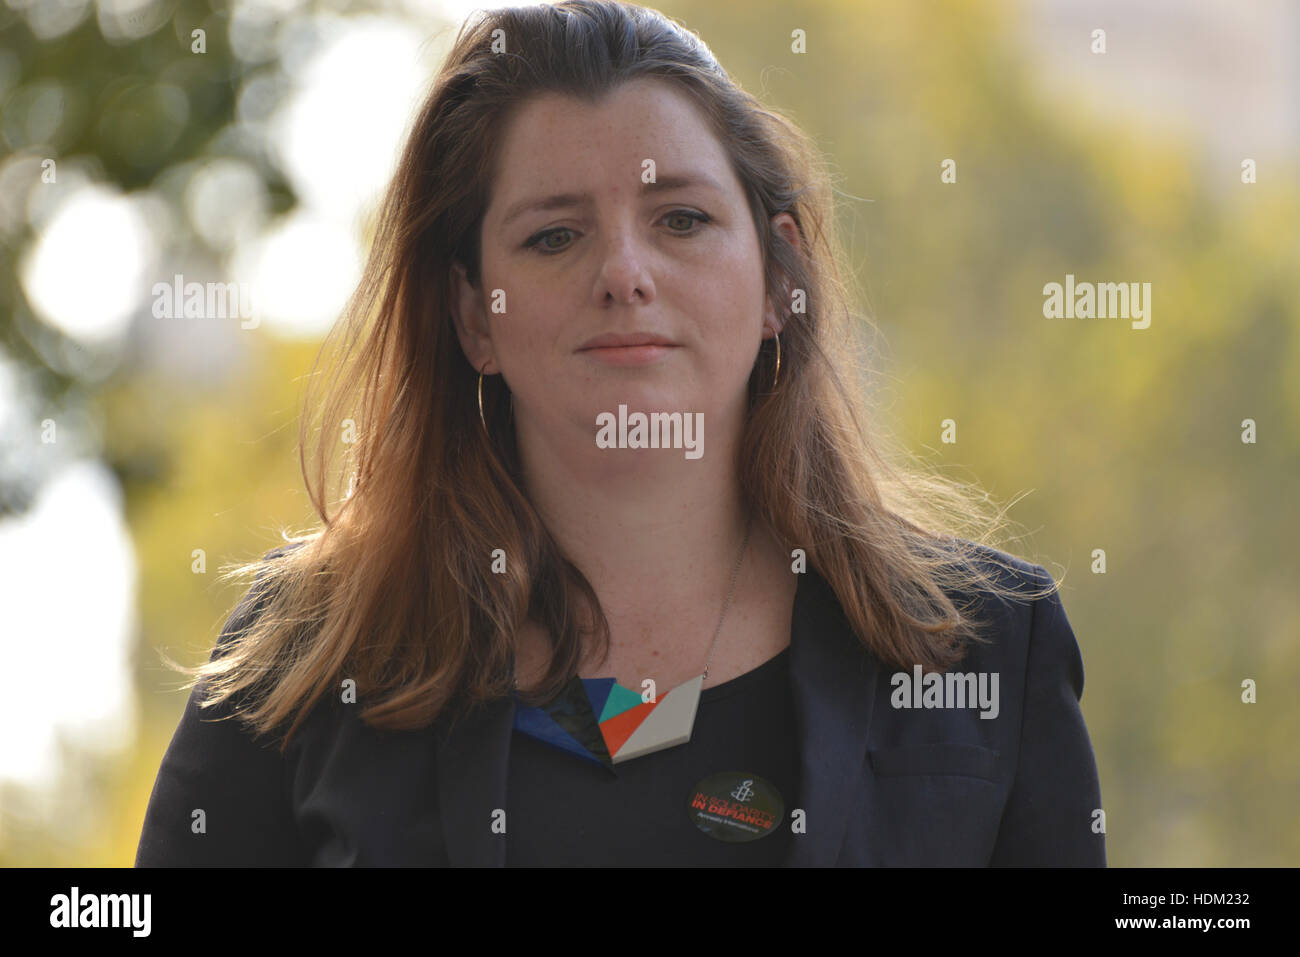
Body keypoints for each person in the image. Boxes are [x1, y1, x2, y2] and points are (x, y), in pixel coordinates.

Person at [136, 0, 1104, 867]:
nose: (625, 273)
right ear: (474, 316)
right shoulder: (305, 664)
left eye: (680, 219)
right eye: (555, 236)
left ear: (778, 278)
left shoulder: (983, 652)